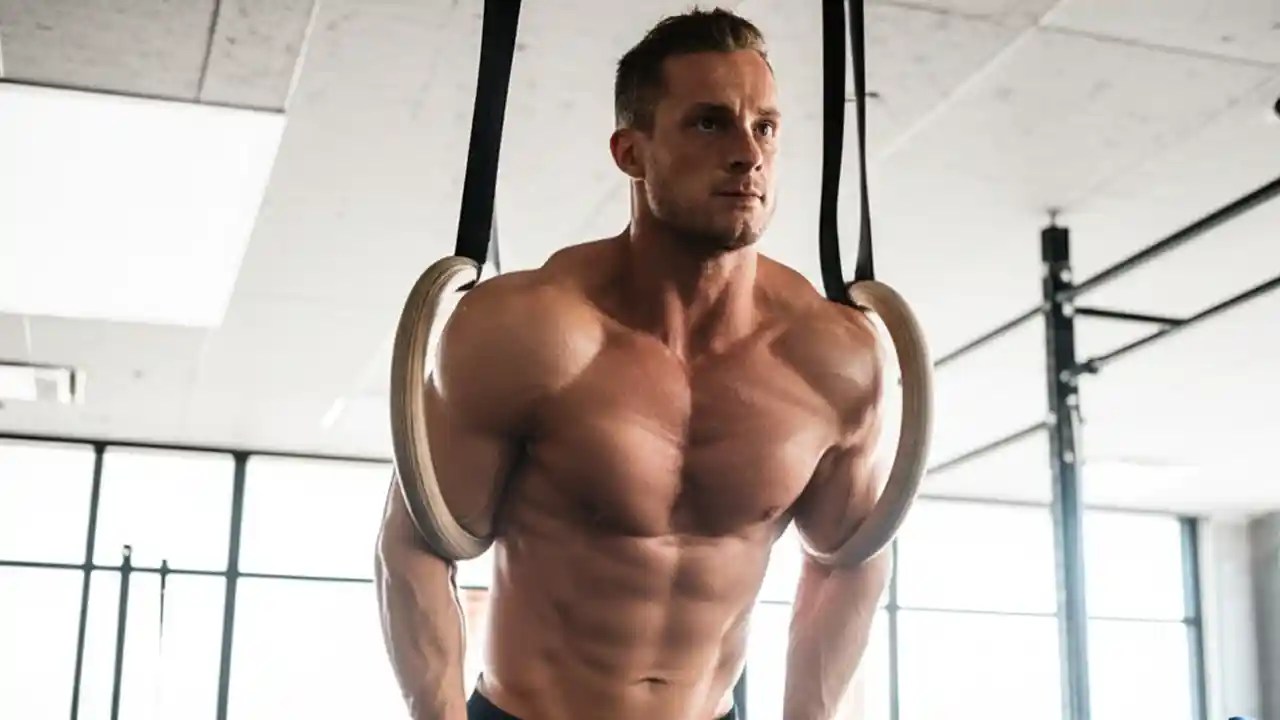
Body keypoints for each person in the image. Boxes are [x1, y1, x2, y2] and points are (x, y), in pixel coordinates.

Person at [375, 8, 891, 720]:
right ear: (631, 152)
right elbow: (413, 547)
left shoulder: (832, 357)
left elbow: (850, 558)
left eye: (765, 126)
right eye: (710, 122)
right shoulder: (529, 332)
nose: (748, 153)